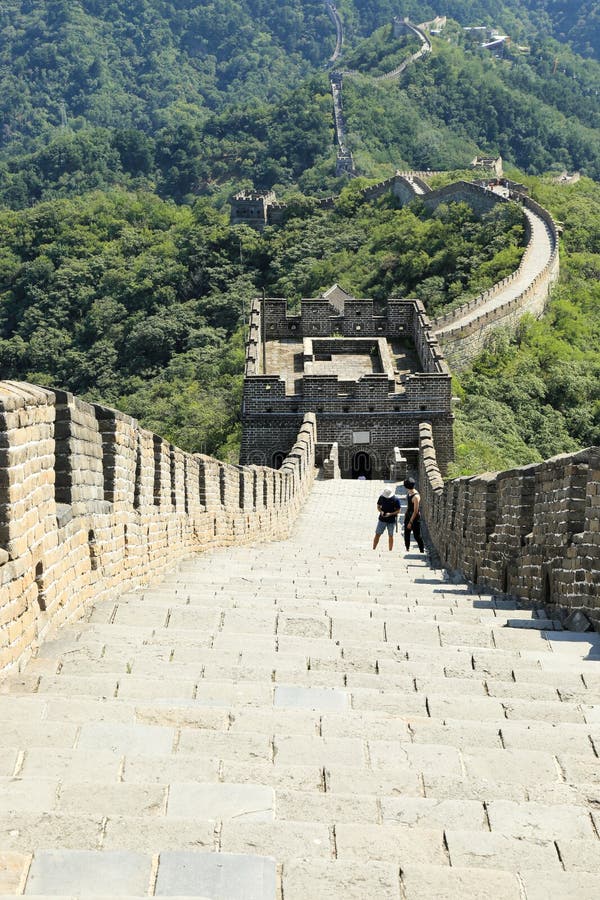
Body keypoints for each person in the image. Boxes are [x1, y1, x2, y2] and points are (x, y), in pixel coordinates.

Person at [373, 487, 401, 551]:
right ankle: (373, 549)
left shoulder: (396, 499)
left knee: (390, 535)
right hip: (382, 519)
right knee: (377, 534)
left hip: (391, 520)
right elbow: (378, 506)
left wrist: (390, 514)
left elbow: (399, 510)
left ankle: (390, 550)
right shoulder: (381, 497)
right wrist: (381, 511)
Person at [403, 477, 425, 553]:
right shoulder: (409, 493)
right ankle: (407, 549)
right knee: (406, 533)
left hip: (415, 518)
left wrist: (410, 522)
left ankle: (422, 550)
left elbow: (415, 511)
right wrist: (406, 514)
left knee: (417, 536)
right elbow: (409, 506)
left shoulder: (416, 497)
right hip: (408, 515)